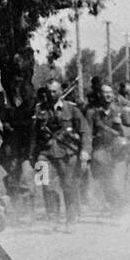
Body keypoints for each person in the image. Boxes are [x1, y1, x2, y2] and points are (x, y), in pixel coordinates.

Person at [28, 78, 91, 231]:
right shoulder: (39, 109)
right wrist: (32, 154)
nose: (51, 94)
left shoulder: (71, 109)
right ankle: (52, 220)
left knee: (69, 186)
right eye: (49, 91)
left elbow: (85, 131)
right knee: (46, 186)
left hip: (68, 154)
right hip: (45, 153)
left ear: (61, 92)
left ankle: (70, 220)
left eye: (54, 91)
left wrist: (85, 151)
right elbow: (34, 134)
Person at [85, 83, 130, 215]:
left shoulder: (119, 110)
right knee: (105, 179)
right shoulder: (92, 111)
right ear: (99, 94)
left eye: (110, 92)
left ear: (113, 94)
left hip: (118, 148)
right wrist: (87, 152)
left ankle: (119, 206)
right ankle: (112, 204)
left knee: (117, 179)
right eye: (104, 92)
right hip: (100, 148)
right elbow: (88, 132)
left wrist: (122, 131)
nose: (108, 95)